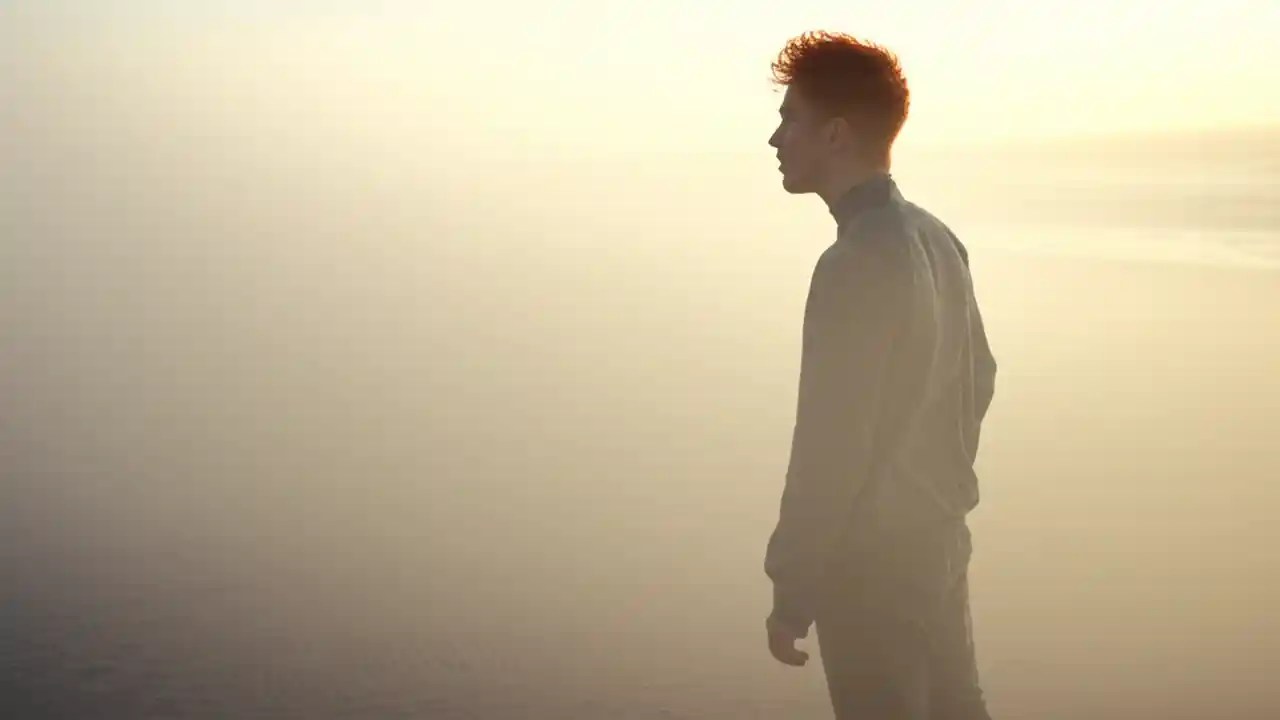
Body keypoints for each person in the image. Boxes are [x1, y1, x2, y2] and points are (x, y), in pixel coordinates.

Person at [762, 31, 998, 720]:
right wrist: (937, 490)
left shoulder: (854, 264)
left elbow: (829, 447)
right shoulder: (936, 238)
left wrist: (792, 589)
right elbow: (978, 378)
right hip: (938, 544)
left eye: (790, 118)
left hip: (872, 569)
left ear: (835, 134)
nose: (775, 138)